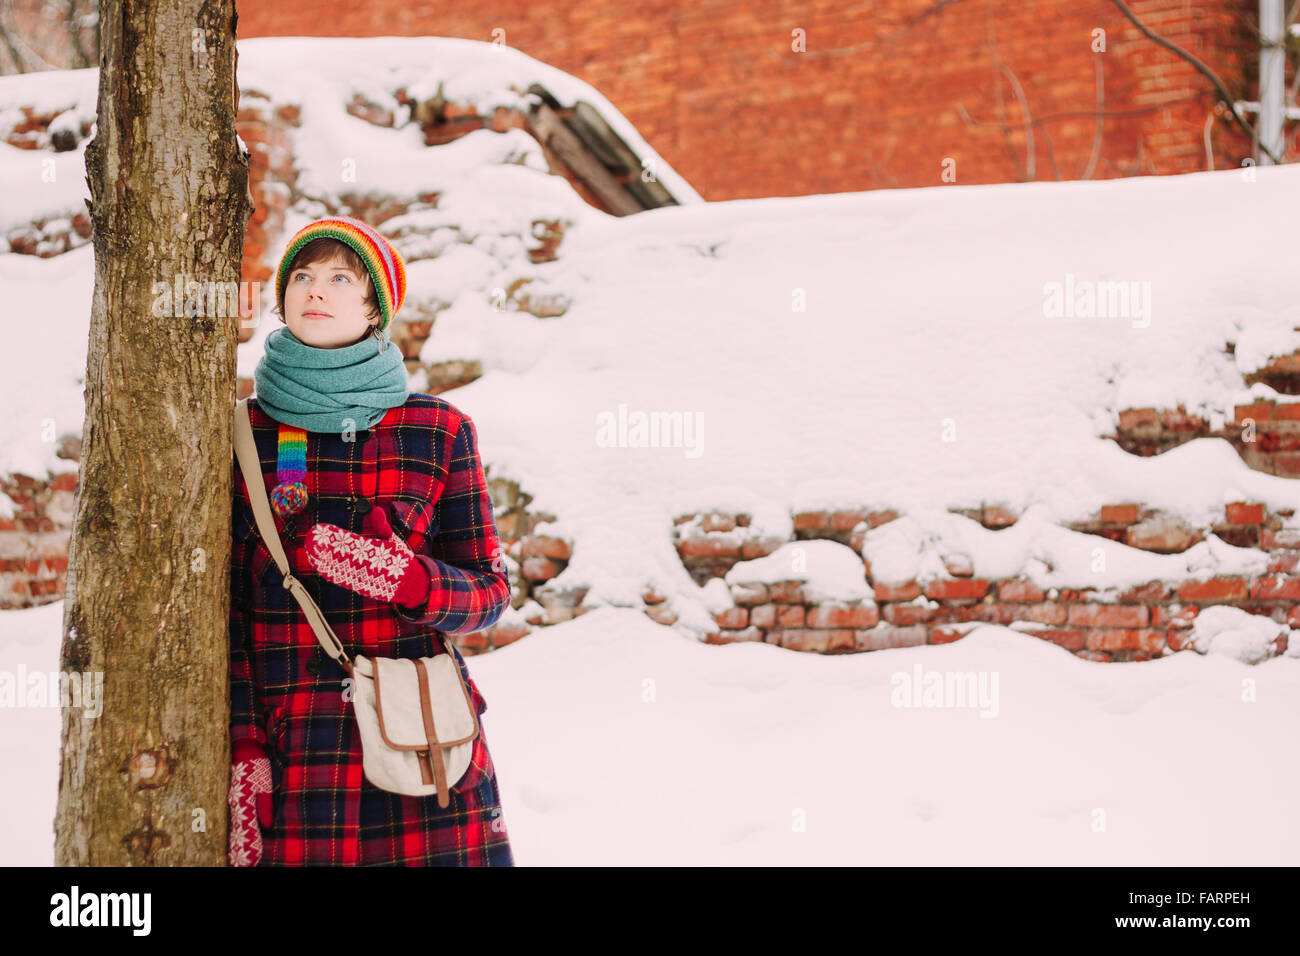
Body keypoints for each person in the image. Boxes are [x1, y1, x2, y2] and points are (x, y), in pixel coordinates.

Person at [227, 215, 514, 866]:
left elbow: (491, 595)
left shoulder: (438, 429)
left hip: (420, 744)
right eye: (301, 276)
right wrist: (244, 748)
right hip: (296, 753)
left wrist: (410, 581)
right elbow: (228, 612)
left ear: (375, 306)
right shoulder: (245, 433)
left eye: (339, 277)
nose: (314, 291)